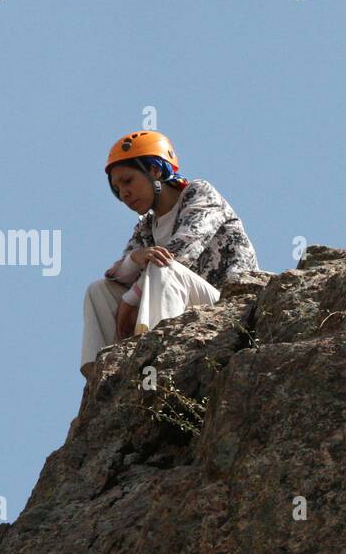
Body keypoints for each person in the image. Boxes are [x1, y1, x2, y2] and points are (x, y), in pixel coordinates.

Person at [81, 131, 260, 379]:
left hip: (228, 307)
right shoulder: (146, 227)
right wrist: (135, 259)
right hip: (182, 302)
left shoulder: (198, 193)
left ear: (155, 170)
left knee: (162, 267)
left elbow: (180, 254)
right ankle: (102, 378)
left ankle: (155, 361)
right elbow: (116, 274)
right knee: (98, 290)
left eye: (128, 181)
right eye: (117, 189)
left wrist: (129, 302)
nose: (123, 193)